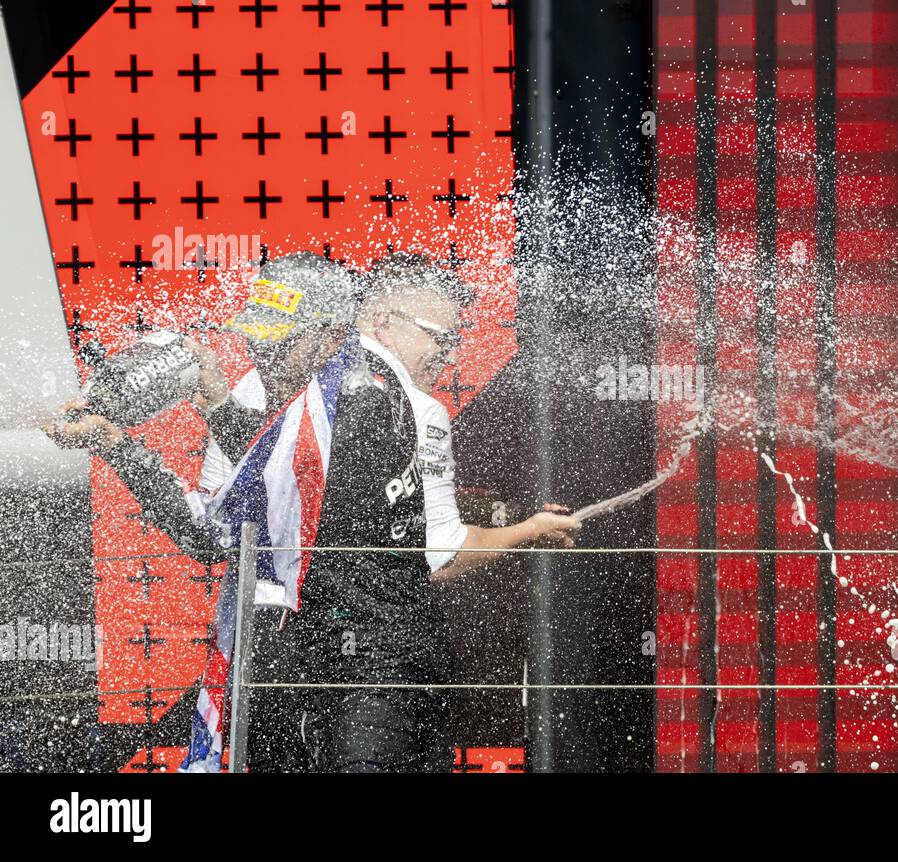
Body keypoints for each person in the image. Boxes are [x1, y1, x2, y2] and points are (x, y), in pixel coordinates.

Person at [44, 252, 359, 772]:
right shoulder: (248, 393)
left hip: (350, 640)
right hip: (266, 632)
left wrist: (203, 409)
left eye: (278, 337)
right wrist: (114, 439)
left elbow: (280, 478)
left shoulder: (360, 401)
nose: (261, 351)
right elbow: (212, 532)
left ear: (328, 339)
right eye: (255, 334)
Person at [291, 251, 579, 772]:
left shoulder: (301, 384)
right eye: (437, 336)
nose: (448, 354)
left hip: (326, 663)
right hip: (384, 674)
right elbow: (442, 551)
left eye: (454, 340)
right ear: (383, 322)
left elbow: (390, 523)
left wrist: (511, 521)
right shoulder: (417, 407)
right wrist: (527, 531)